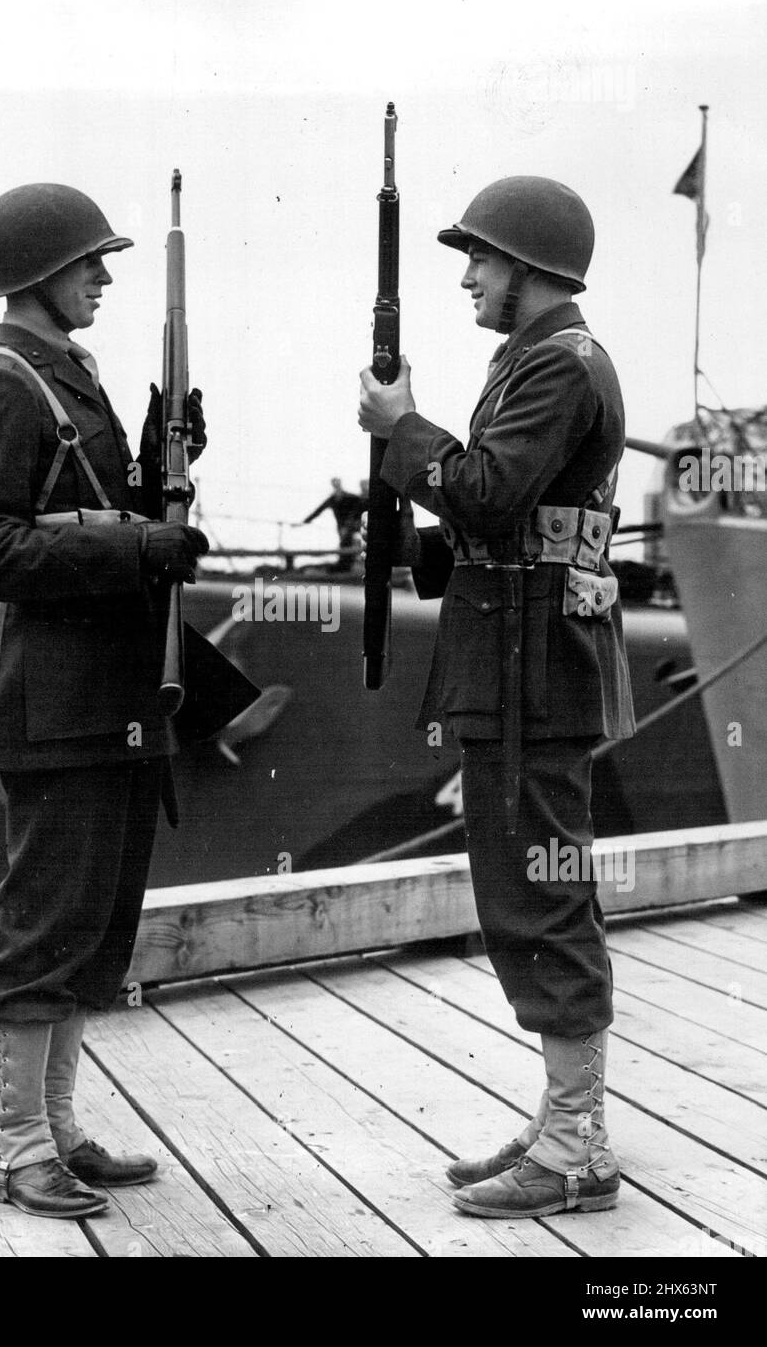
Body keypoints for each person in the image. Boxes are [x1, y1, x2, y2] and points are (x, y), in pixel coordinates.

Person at [0, 183, 254, 1219]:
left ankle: (58, 1126)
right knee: (44, 924)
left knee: (93, 924)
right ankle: (19, 1145)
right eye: (88, 264)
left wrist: (167, 467)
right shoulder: (4, 386)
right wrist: (138, 546)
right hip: (59, 703)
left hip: (114, 698)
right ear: (36, 272)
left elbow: (101, 517)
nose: (103, 280)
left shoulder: (70, 379)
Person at [358, 176, 635, 1218]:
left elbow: (486, 490)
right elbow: (504, 519)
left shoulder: (555, 364)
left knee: (540, 895)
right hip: (518, 662)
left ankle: (574, 1146)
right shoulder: (532, 358)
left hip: (531, 672)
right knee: (530, 887)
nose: (468, 275)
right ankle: (568, 1118)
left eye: (479, 256)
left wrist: (402, 430)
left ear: (528, 265)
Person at [301, 477, 368, 571]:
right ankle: (345, 566)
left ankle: (347, 566)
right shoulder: (332, 499)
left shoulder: (350, 497)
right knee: (345, 544)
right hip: (342, 526)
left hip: (351, 525)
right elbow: (318, 511)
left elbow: (361, 505)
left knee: (348, 542)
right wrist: (305, 521)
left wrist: (353, 522)